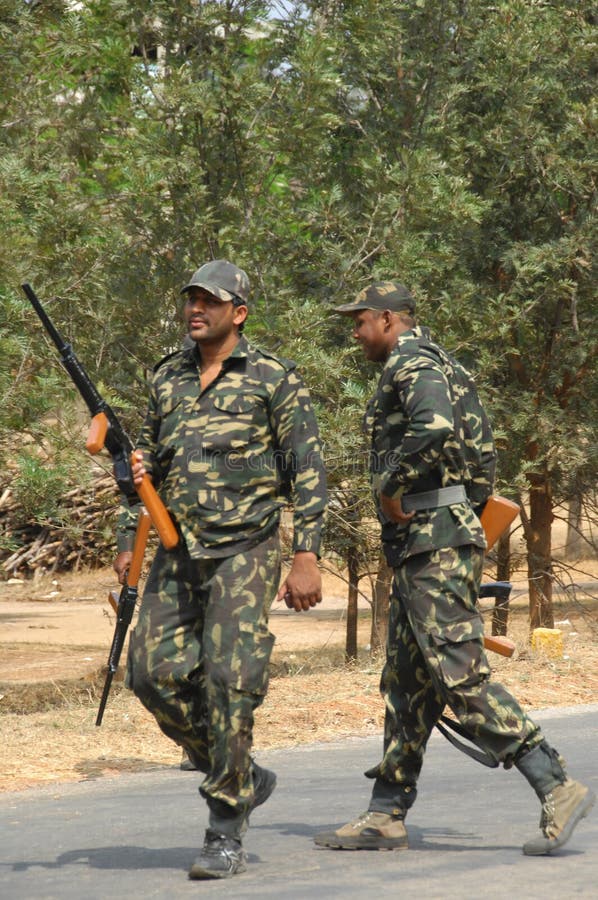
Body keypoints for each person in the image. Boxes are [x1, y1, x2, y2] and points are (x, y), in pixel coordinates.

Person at [314, 281, 594, 856]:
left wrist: (394, 484)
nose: (356, 332)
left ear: (389, 319)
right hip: (437, 537)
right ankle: (387, 813)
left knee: (458, 673)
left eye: (361, 321)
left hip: (431, 541)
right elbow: (482, 454)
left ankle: (554, 781)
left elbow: (436, 430)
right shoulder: (447, 365)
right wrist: (463, 512)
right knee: (407, 682)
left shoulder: (409, 364)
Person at [113, 260, 327, 879]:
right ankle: (243, 773)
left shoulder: (273, 379)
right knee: (149, 675)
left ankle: (225, 826)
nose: (195, 309)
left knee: (229, 684)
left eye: (209, 301)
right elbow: (144, 468)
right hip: (178, 549)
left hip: (246, 549)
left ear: (239, 313)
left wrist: (306, 554)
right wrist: (132, 534)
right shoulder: (168, 377)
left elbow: (307, 470)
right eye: (191, 300)